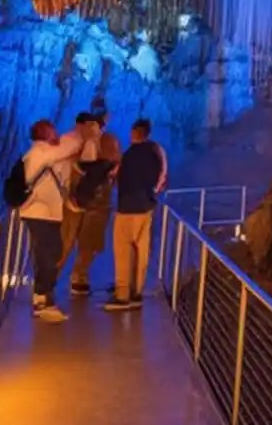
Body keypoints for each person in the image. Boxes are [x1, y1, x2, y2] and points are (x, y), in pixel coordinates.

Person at [20, 118, 85, 322]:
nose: (56, 135)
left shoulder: (43, 154)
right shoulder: (40, 153)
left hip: (45, 213)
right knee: (47, 254)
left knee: (50, 252)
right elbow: (68, 148)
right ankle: (42, 300)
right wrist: (81, 133)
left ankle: (44, 296)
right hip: (38, 213)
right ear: (44, 135)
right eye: (52, 132)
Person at [105, 119, 165, 311]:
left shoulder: (128, 156)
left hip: (127, 208)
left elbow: (115, 177)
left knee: (123, 250)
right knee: (142, 251)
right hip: (146, 207)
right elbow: (162, 178)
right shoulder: (156, 153)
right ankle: (137, 292)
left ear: (134, 133)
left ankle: (123, 295)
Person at [60, 122, 119, 296]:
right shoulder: (75, 141)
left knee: (87, 243)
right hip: (79, 200)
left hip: (96, 202)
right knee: (67, 241)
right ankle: (54, 280)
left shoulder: (108, 142)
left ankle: (79, 276)